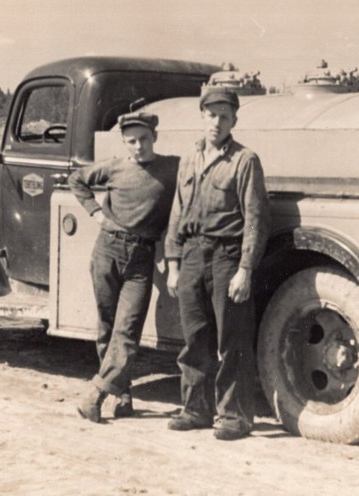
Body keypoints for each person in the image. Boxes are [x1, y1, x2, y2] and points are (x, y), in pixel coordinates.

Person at [164, 87, 270, 441]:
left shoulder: (244, 161)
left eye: (225, 116)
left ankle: (234, 416)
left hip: (227, 256)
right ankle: (195, 409)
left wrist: (245, 269)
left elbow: (255, 219)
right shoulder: (189, 159)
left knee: (232, 339)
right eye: (211, 114)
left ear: (234, 121)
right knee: (195, 338)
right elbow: (177, 212)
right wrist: (174, 263)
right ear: (202, 116)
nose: (217, 122)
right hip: (192, 253)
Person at [69, 109, 179, 423]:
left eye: (144, 139)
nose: (139, 146)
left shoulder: (171, 168)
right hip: (107, 250)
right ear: (124, 143)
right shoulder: (114, 168)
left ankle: (96, 394)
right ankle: (123, 394)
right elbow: (77, 179)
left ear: (154, 137)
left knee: (126, 331)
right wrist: (95, 213)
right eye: (132, 141)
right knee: (106, 328)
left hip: (141, 260)